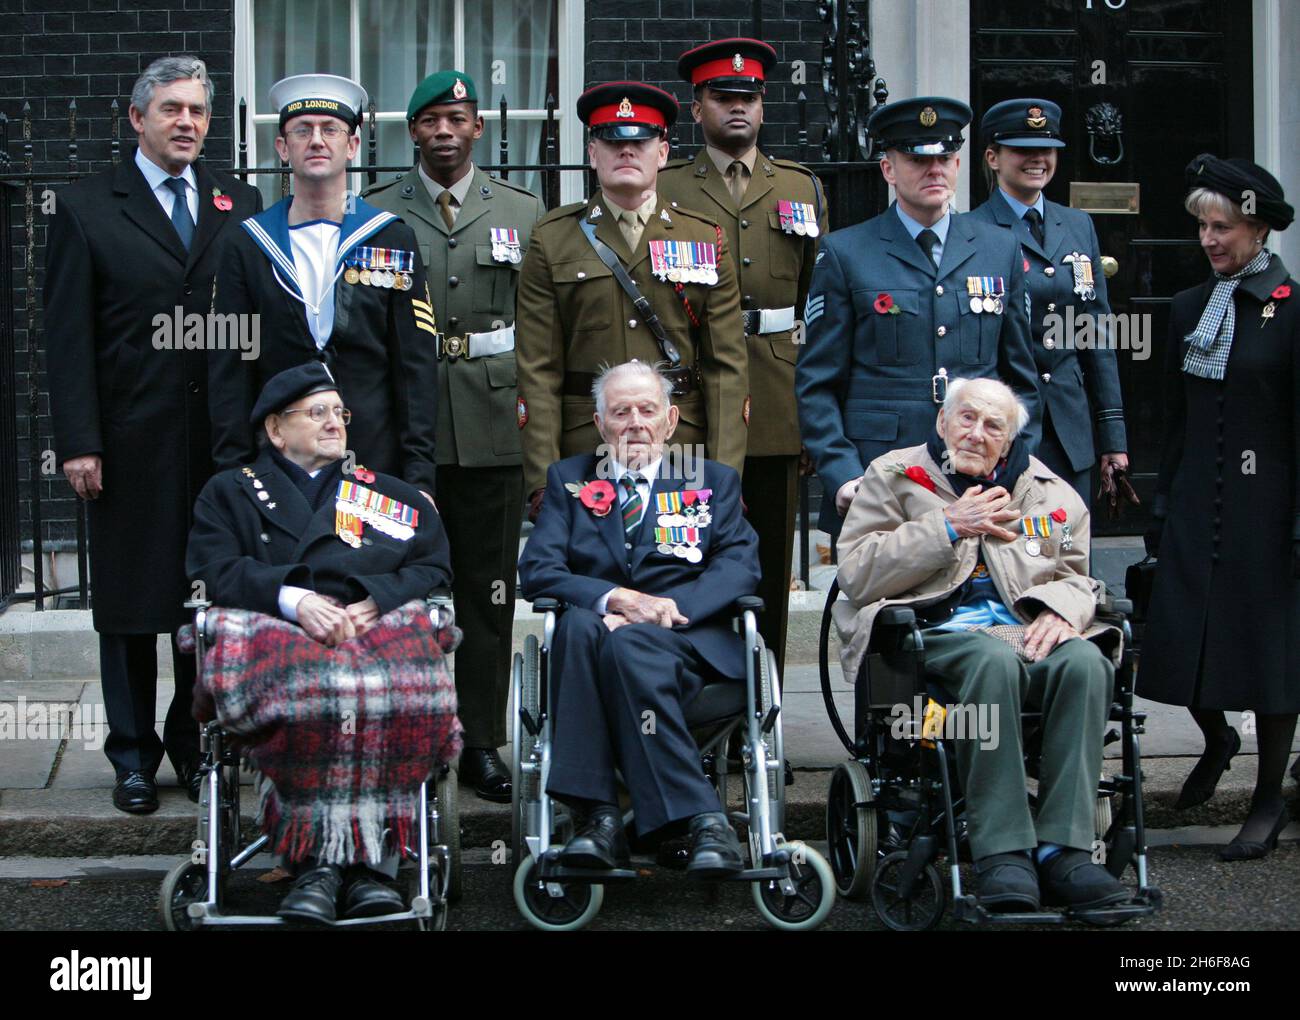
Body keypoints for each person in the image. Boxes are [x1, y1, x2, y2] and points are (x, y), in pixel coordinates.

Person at [43, 56, 262, 814]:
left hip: (218, 441)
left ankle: (191, 740)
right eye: (171, 108)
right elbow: (67, 337)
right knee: (133, 607)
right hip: (129, 441)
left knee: (211, 601)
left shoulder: (239, 201)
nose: (187, 123)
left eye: (198, 111)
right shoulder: (85, 208)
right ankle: (133, 756)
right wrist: (79, 440)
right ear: (137, 119)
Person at [835, 376, 1128, 913]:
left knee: (1086, 661)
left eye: (993, 425)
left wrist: (1061, 608)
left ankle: (1064, 850)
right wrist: (945, 526)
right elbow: (857, 572)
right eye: (966, 418)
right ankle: (1004, 853)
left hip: (1026, 632)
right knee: (992, 660)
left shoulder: (1050, 494)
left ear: (1010, 440)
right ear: (943, 421)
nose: (976, 433)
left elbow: (1076, 573)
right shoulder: (895, 475)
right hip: (932, 637)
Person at [187, 362, 455, 923]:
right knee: (318, 694)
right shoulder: (230, 494)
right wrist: (292, 599)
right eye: (318, 412)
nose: (335, 423)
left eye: (340, 412)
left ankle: (368, 868)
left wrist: (380, 596)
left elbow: (433, 565)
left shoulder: (386, 494)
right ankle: (318, 864)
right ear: (276, 431)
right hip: (279, 635)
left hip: (369, 632)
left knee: (393, 694)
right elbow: (210, 571)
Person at [365, 71, 545, 804]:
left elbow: (541, 332)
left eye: (458, 119)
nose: (445, 131)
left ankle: (481, 739)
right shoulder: (376, 213)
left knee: (488, 592)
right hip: (402, 428)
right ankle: (401, 731)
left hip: (493, 423)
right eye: (431, 119)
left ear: (478, 128)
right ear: (411, 132)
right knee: (391, 590)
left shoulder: (523, 213)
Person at [517, 361, 760, 875]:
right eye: (620, 411)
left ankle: (600, 821)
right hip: (596, 638)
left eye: (647, 410)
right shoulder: (568, 481)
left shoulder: (713, 481)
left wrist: (667, 612)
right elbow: (538, 570)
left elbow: (739, 567)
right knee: (583, 625)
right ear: (600, 424)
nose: (635, 423)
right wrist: (616, 598)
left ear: (670, 421)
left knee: (627, 644)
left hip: (688, 644)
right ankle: (687, 821)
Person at [1141, 154, 1297, 860]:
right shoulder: (1185, 309)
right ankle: (1215, 738)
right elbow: (1175, 417)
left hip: (1269, 509)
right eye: (1203, 226)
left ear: (1258, 229)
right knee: (1179, 636)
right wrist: (1164, 497)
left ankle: (1268, 803)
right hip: (1198, 499)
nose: (1209, 239)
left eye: (1223, 227)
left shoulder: (1291, 310)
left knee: (1268, 658)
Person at [796, 96, 1041, 536]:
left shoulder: (999, 250)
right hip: (880, 477)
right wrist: (842, 473)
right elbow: (818, 382)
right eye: (917, 159)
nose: (935, 171)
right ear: (889, 169)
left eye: (945, 158)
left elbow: (1020, 377)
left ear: (959, 163)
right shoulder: (847, 252)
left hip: (977, 472)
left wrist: (1014, 461)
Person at [658, 37, 826, 676]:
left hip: (780, 395)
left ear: (763, 105)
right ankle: (700, 701)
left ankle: (767, 702)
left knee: (772, 567)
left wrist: (814, 409)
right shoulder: (670, 185)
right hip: (695, 394)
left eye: (749, 97)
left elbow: (819, 305)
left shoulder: (800, 187)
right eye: (723, 97)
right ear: (696, 106)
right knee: (686, 554)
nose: (738, 108)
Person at [515, 81, 749, 516]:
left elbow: (727, 368)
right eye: (611, 141)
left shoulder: (703, 236)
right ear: (592, 153)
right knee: (594, 577)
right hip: (587, 441)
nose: (627, 152)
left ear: (661, 153)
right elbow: (538, 371)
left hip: (682, 440)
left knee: (679, 568)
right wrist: (542, 480)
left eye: (640, 141)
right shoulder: (552, 240)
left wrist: (725, 475)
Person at [209, 73, 439, 497]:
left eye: (330, 129)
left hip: (375, 458)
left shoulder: (389, 237)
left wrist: (419, 477)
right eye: (302, 130)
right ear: (282, 147)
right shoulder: (247, 244)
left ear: (351, 145)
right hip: (277, 461)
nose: (317, 140)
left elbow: (415, 367)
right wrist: (233, 474)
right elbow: (230, 370)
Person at [966, 99, 1129, 508]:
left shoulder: (1078, 225)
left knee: (1070, 553)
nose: (1038, 159)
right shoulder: (970, 232)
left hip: (1071, 431)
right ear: (993, 157)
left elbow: (1097, 331)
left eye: (1048, 148)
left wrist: (1112, 436)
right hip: (1005, 431)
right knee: (1011, 559)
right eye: (1022, 149)